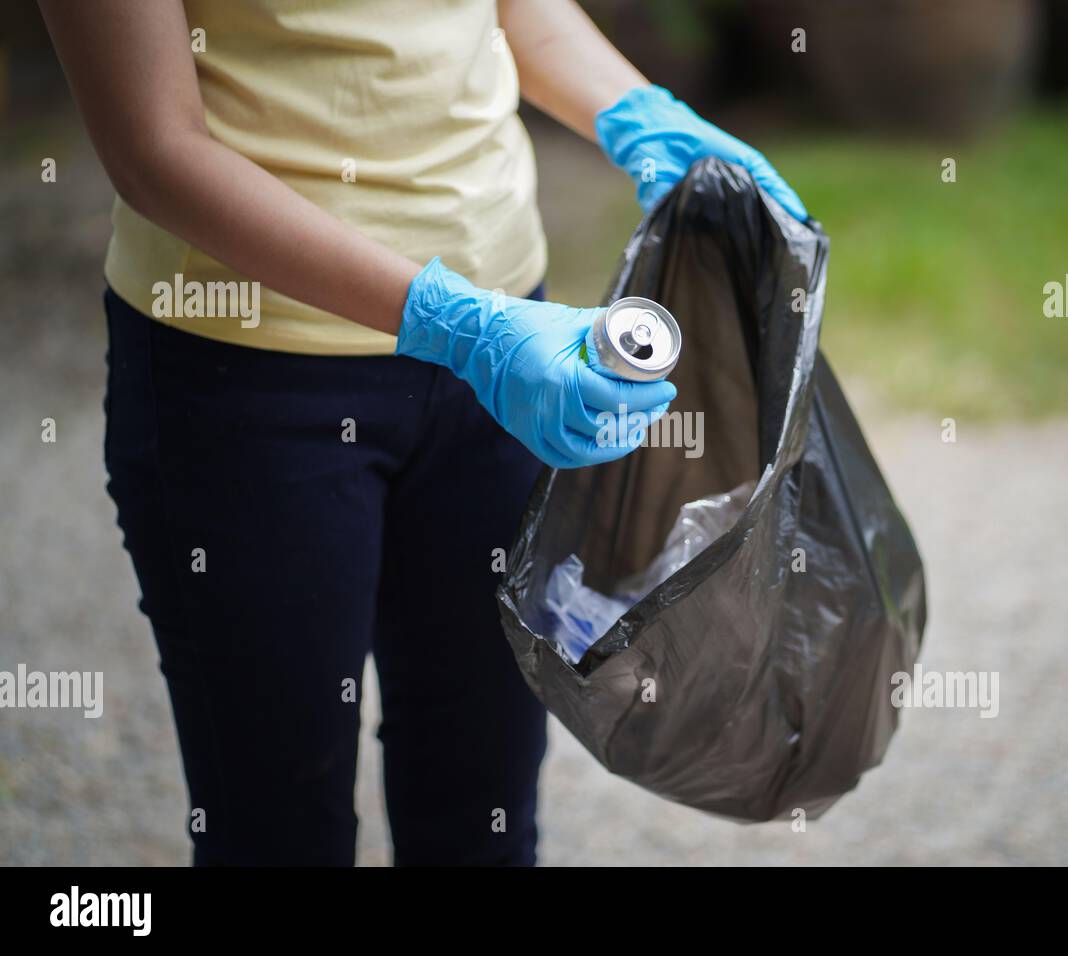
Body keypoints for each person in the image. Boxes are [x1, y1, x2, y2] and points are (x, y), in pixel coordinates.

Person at [39, 0, 805, 866]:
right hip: (248, 376)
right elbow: (153, 149)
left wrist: (637, 111)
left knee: (482, 805)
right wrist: (453, 321)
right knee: (274, 826)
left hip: (507, 339)